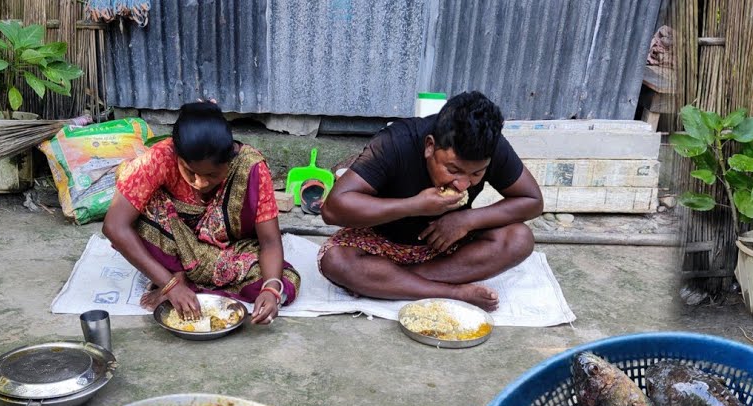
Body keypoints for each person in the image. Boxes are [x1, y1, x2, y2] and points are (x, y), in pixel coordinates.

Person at [319, 90, 543, 311]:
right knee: (336, 261)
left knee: (519, 239)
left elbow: (532, 200)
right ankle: (453, 292)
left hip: (446, 247)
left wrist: (466, 220)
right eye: (453, 170)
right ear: (429, 146)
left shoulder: (491, 146)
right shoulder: (395, 142)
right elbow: (332, 209)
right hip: (381, 240)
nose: (462, 184)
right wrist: (414, 205)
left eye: (476, 174)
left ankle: (390, 282)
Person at [103, 101, 297, 324]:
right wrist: (169, 284)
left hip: (225, 253)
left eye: (213, 175)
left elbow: (270, 243)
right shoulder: (159, 158)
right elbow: (114, 226)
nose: (200, 183)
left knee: (279, 282)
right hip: (173, 246)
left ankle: (188, 281)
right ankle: (176, 277)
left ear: (230, 160)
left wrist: (271, 289)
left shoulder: (251, 168)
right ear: (177, 155)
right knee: (132, 208)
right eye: (190, 172)